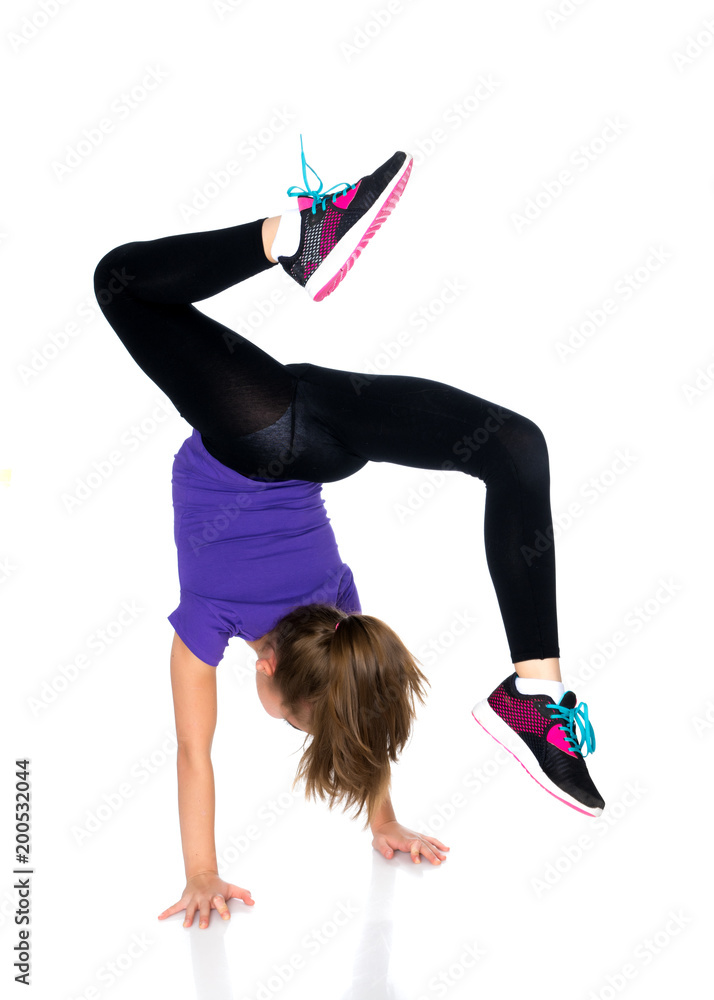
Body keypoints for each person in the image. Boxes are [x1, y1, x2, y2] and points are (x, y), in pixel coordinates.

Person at [93, 139, 604, 931]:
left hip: (330, 433)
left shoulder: (342, 617)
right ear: (267, 665)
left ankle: (537, 693)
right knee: (118, 283)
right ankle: (294, 237)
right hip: (265, 432)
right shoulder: (212, 622)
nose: (284, 718)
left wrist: (383, 820)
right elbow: (195, 754)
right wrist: (202, 873)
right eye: (289, 717)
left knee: (514, 449)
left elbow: (358, 708)